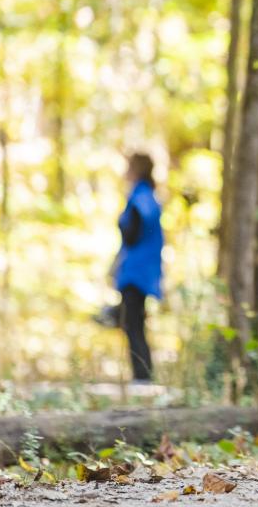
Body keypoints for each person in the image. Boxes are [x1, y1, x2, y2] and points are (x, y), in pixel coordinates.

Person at [110, 152, 164, 384]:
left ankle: (142, 377)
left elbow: (132, 234)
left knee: (133, 323)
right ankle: (143, 374)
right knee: (134, 321)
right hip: (143, 270)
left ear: (136, 170)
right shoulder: (148, 196)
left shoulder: (140, 197)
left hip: (136, 271)